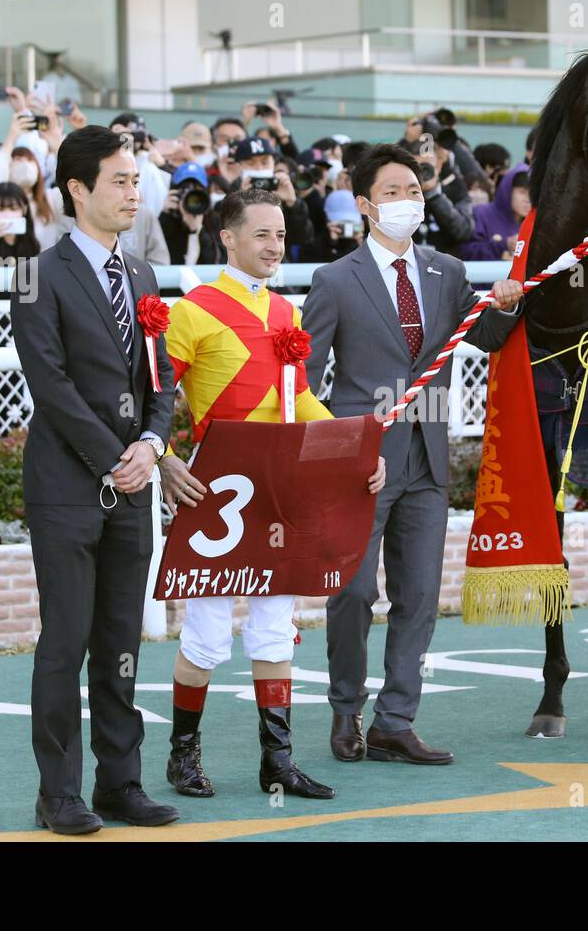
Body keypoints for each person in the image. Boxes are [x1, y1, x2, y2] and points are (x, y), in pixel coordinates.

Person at [158, 188, 386, 803]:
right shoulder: (193, 311)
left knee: (274, 629)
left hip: (278, 490)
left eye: (281, 235)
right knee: (207, 634)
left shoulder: (286, 311)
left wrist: (357, 452)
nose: (274, 246)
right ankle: (183, 757)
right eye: (261, 234)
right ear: (227, 238)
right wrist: (165, 457)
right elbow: (154, 396)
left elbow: (302, 399)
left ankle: (277, 762)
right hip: (217, 491)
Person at [301, 144, 524, 765]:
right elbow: (306, 379)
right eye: (393, 192)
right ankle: (346, 709)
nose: (408, 201)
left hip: (428, 458)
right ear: (365, 204)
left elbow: (486, 335)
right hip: (361, 466)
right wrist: (337, 451)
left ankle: (395, 721)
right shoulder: (334, 280)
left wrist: (509, 301)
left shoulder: (445, 271)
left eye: (415, 190)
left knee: (420, 595)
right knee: (352, 592)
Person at [9, 126, 177, 836]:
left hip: (132, 485)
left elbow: (161, 380)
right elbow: (50, 384)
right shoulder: (37, 274)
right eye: (119, 181)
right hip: (67, 487)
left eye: (136, 181)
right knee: (66, 641)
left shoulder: (143, 275)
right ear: (77, 189)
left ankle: (120, 784)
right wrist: (116, 456)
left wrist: (152, 444)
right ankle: (58, 795)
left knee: (120, 642)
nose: (134, 193)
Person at [458, 163, 529, 261]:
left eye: (532, 194)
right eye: (523, 192)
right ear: (508, 190)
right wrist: (504, 244)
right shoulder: (482, 214)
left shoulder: (534, 223)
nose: (528, 199)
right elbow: (466, 252)